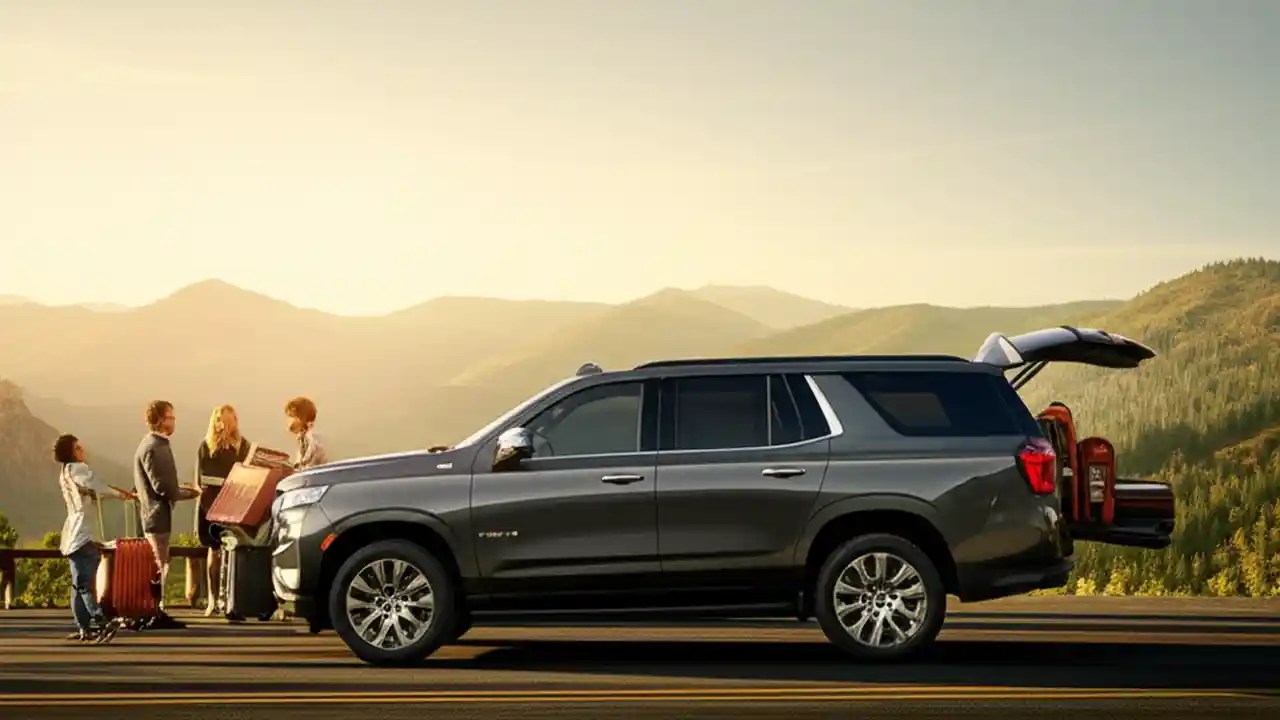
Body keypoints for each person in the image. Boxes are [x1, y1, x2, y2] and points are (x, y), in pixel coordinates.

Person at [53, 434, 128, 643]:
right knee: (86, 584)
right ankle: (101, 620)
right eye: (77, 448)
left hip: (74, 535)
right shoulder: (78, 469)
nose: (82, 450)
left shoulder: (65, 472)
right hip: (83, 534)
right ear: (71, 453)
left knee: (78, 585)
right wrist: (120, 494)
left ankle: (83, 627)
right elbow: (98, 486)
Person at [133, 400, 186, 629]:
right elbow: (162, 485)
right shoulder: (155, 446)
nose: (174, 421)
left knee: (158, 562)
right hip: (156, 515)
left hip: (152, 513)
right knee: (158, 564)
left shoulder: (150, 444)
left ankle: (155, 609)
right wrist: (186, 493)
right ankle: (155, 611)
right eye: (171, 417)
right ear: (161, 420)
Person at [195, 404, 250, 616]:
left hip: (236, 505)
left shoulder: (243, 445)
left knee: (236, 551)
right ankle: (212, 598)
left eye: (229, 420)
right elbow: (201, 477)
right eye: (221, 420)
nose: (225, 425)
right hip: (212, 505)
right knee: (214, 550)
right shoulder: (206, 446)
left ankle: (233, 599)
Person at [285, 396, 328, 470]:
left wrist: (300, 465)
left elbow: (307, 460)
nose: (289, 420)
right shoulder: (301, 438)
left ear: (301, 418)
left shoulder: (310, 438)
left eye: (291, 416)